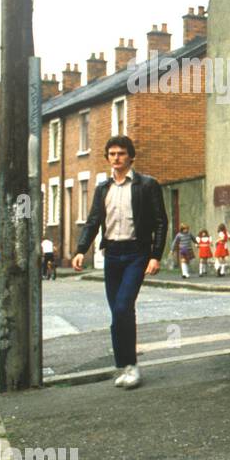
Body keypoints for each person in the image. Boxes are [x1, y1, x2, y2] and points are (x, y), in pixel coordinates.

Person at [71, 136, 168, 389]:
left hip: (137, 253)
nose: (116, 158)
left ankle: (132, 366)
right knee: (118, 312)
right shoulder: (103, 188)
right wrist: (81, 249)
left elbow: (161, 221)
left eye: (121, 153)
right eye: (112, 154)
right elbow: (93, 221)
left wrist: (155, 255)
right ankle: (124, 366)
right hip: (111, 254)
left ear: (131, 157)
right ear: (107, 158)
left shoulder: (147, 185)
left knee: (124, 307)